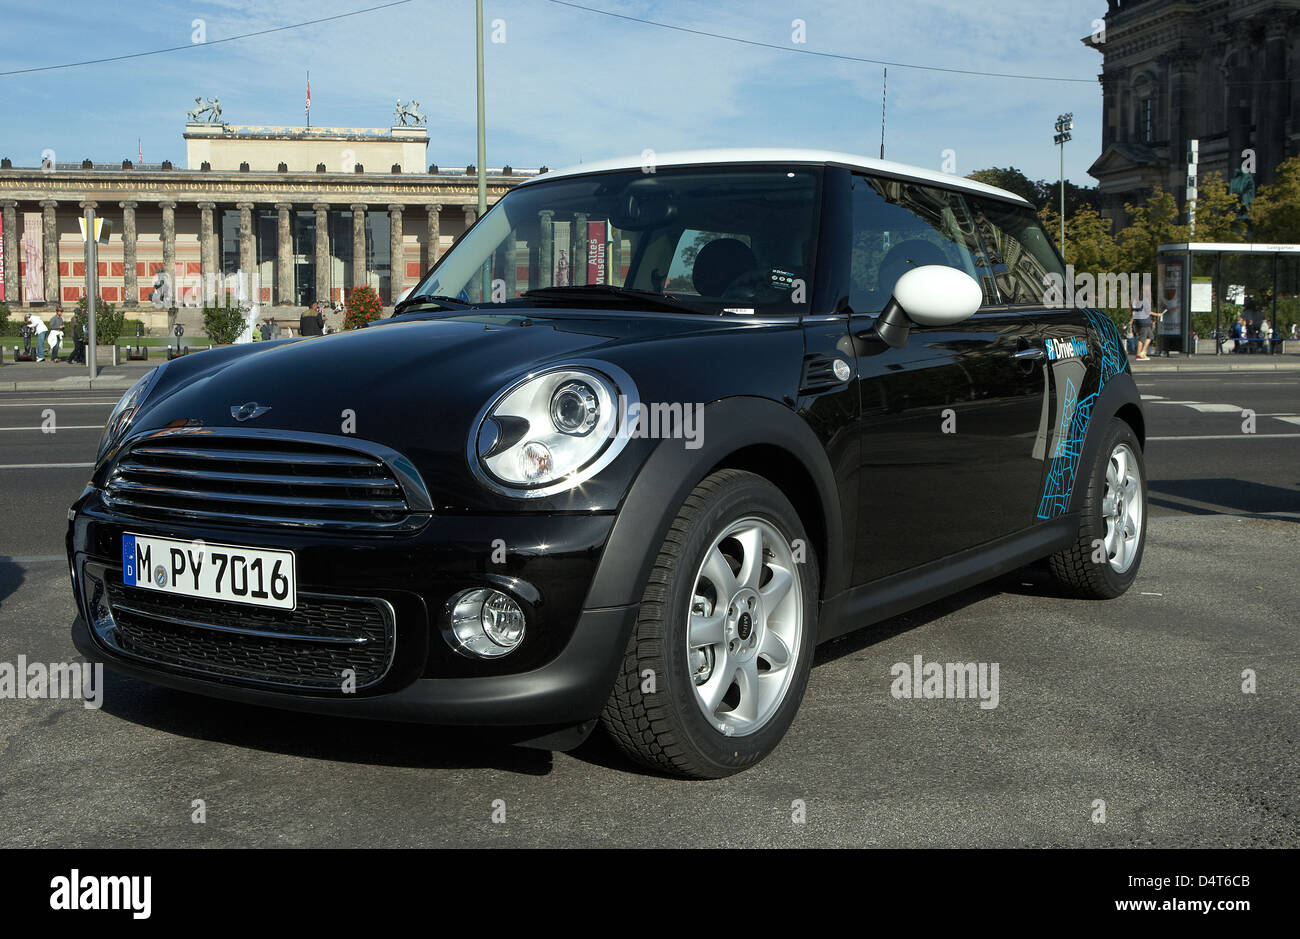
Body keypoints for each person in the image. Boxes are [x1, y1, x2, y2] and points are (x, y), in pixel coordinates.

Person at [1129, 291, 1154, 360]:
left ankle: (1143, 352)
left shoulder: (1135, 300)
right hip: (1144, 321)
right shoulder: (1145, 299)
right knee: (1142, 338)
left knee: (1151, 336)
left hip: (1139, 320)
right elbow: (1148, 311)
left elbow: (1132, 310)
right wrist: (1157, 314)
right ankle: (1138, 355)